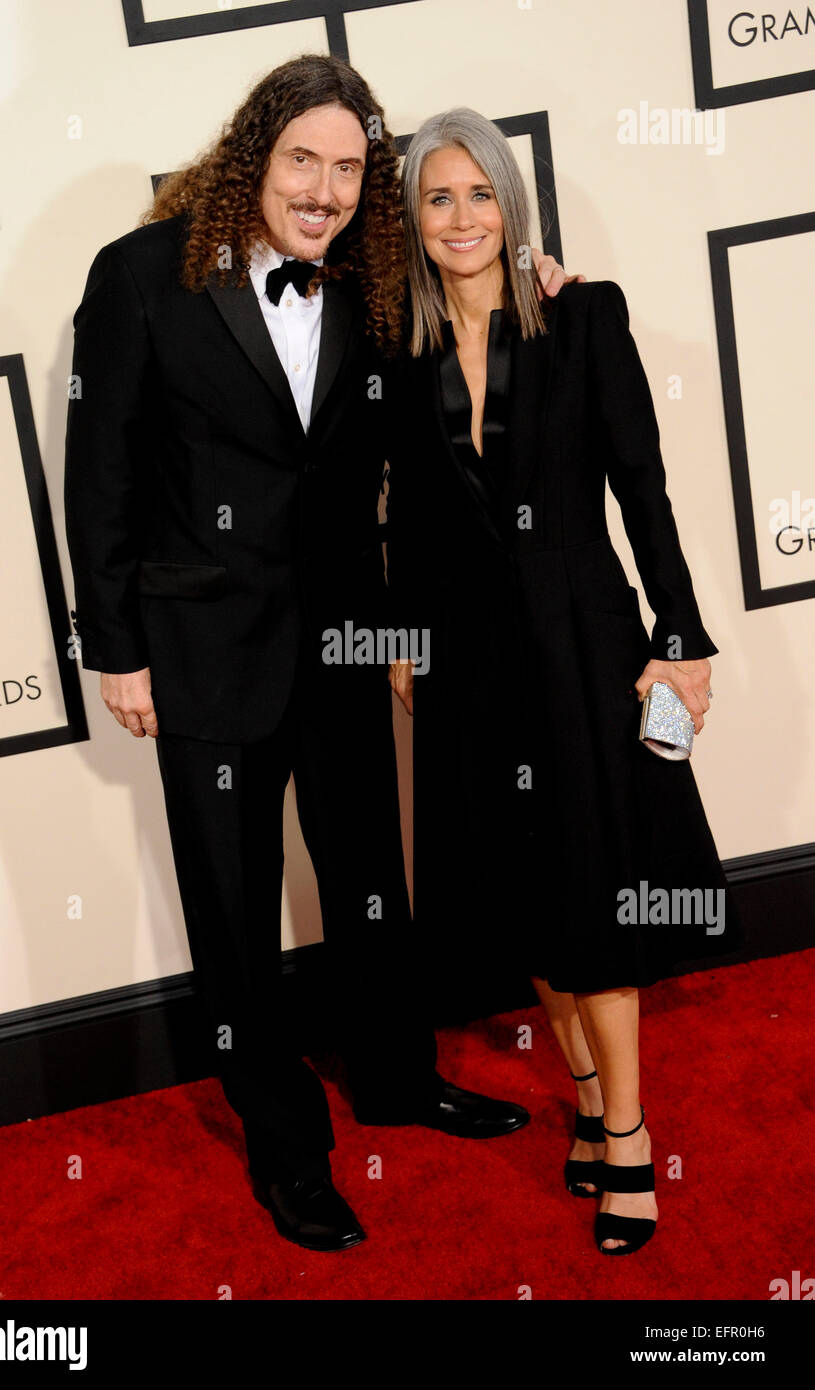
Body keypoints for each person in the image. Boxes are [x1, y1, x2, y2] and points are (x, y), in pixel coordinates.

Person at [63, 58, 575, 1254]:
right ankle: (288, 1150)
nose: (328, 189)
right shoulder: (142, 274)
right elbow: (102, 479)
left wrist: (549, 298)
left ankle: (398, 1080)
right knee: (237, 915)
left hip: (344, 634)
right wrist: (119, 652)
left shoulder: (371, 275)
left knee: (369, 882)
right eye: (307, 160)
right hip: (198, 650)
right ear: (258, 152)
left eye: (350, 168)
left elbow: (425, 422)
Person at [386, 107, 743, 1255]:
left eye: (478, 193)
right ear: (412, 217)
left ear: (510, 202)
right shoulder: (401, 350)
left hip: (582, 639)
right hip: (471, 657)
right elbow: (404, 522)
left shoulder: (585, 314)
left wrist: (679, 635)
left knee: (594, 890)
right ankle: (586, 1096)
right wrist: (399, 636)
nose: (461, 217)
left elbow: (643, 484)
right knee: (523, 893)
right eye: (437, 198)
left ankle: (630, 1136)